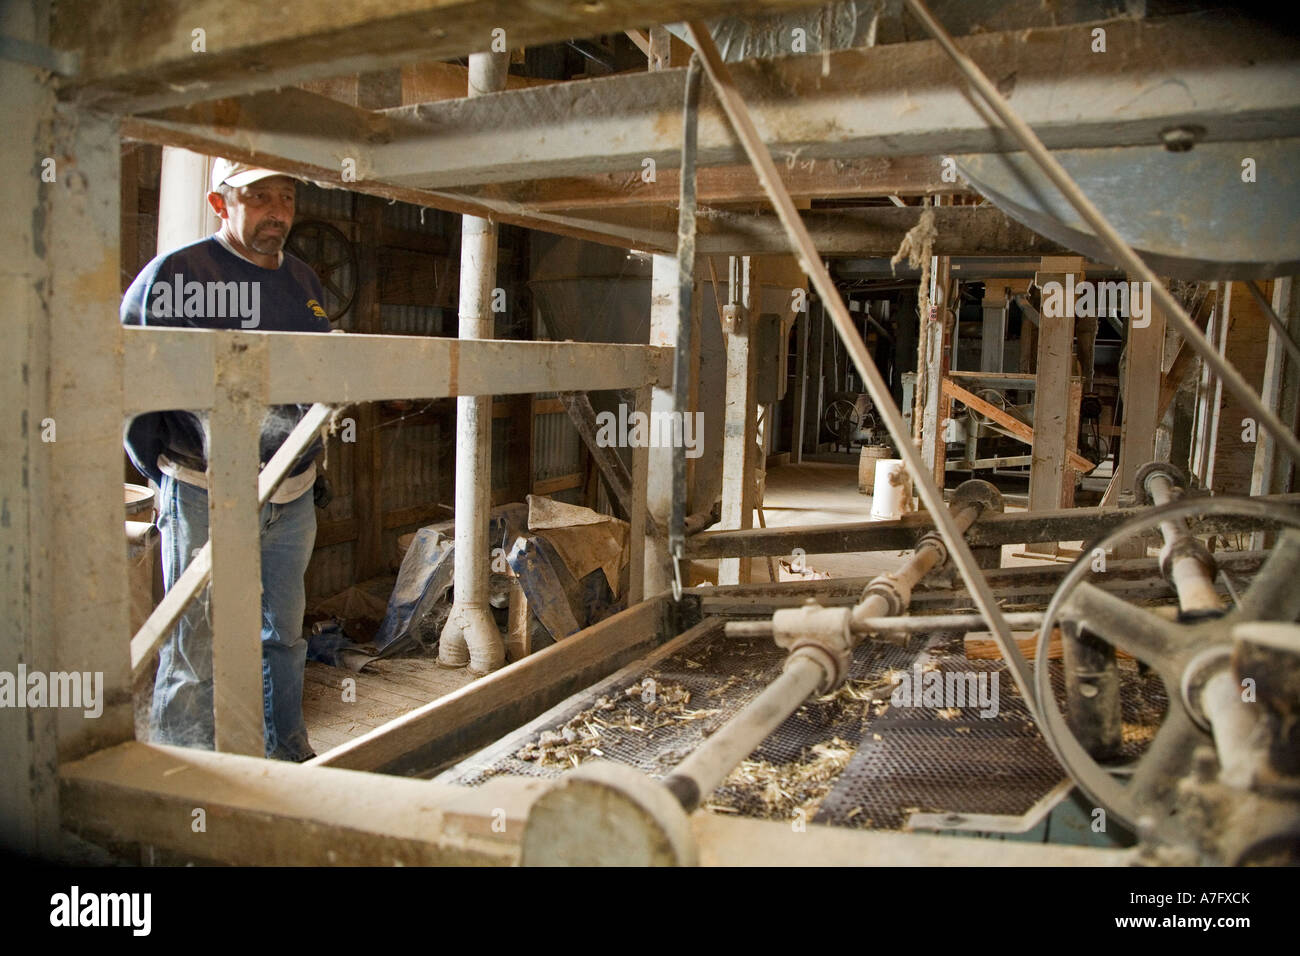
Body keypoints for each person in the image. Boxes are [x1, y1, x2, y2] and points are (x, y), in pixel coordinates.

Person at [121, 158, 332, 761]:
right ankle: (185, 773)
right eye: (259, 197)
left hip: (291, 496)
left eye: (286, 198)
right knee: (195, 640)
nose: (278, 212)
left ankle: (287, 757)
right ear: (221, 204)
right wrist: (166, 469)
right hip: (204, 491)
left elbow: (320, 377)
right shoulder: (177, 275)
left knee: (285, 638)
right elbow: (132, 382)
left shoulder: (304, 281)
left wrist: (310, 466)